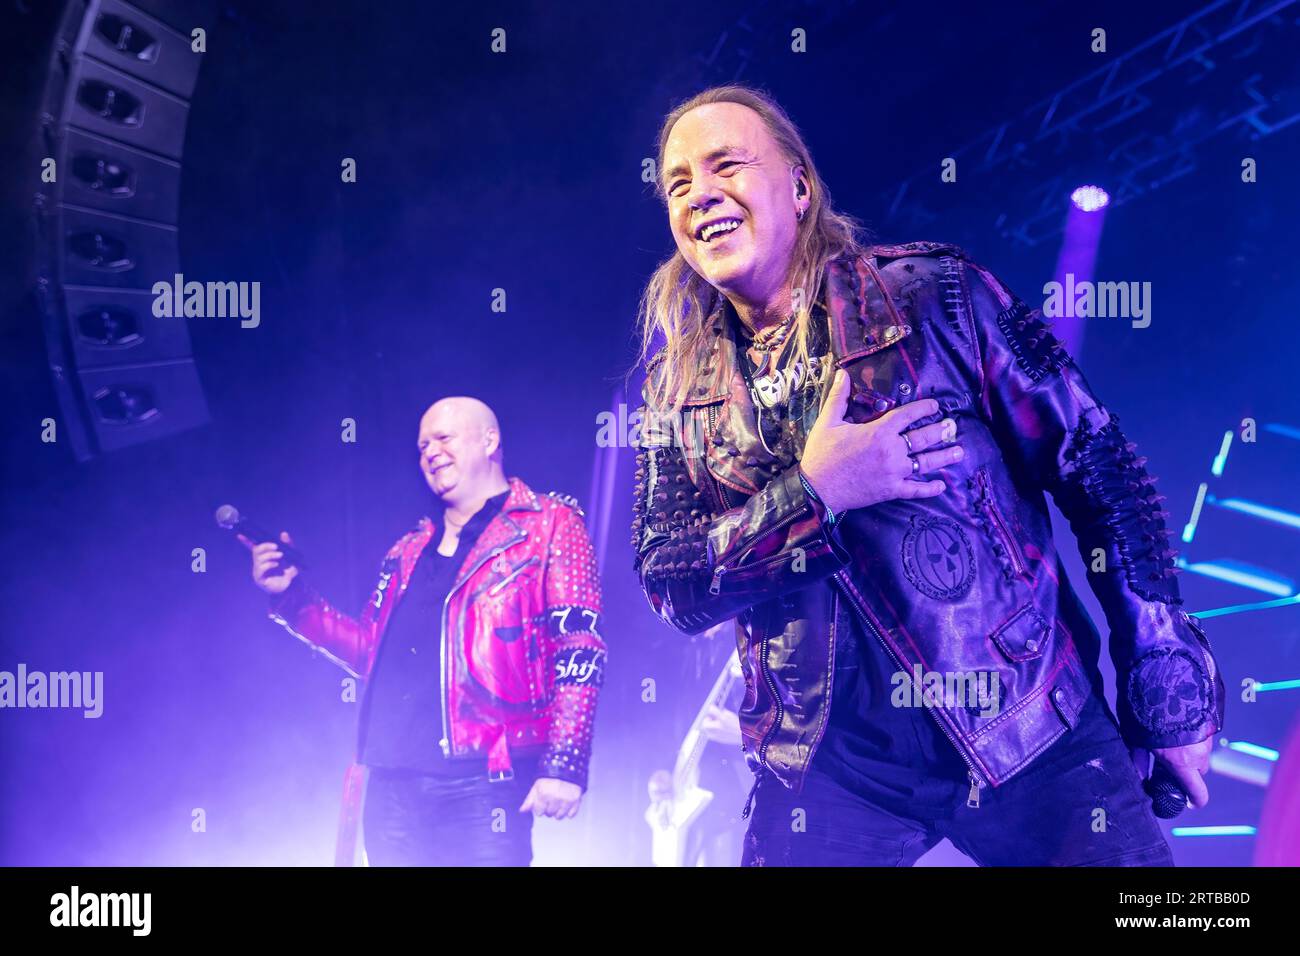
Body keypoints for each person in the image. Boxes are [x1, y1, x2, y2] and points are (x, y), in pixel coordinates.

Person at [631, 85, 1225, 866]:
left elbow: (1099, 466)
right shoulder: (675, 391)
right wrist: (813, 497)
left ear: (800, 187)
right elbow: (669, 581)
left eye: (726, 166)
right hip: (827, 767)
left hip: (1030, 723)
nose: (700, 194)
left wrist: (1166, 677)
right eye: (678, 183)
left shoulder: (935, 295)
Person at [247, 396, 606, 865]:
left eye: (443, 438)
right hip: (391, 781)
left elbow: (578, 646)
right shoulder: (409, 550)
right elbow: (368, 652)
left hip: (484, 782)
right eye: (421, 446)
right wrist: (293, 598)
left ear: (489, 440)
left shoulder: (550, 524)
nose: (430, 452)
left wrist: (566, 763)